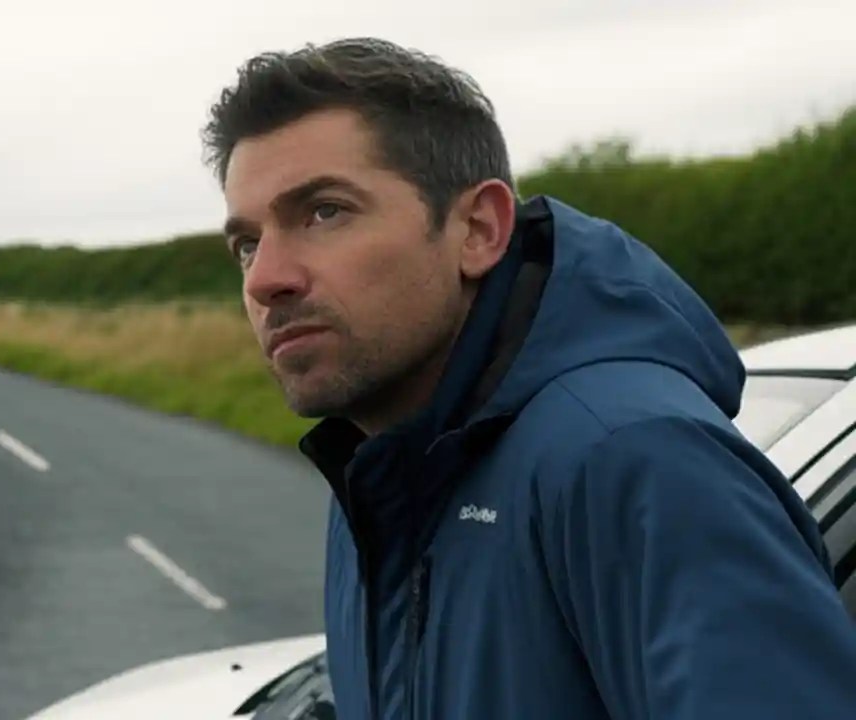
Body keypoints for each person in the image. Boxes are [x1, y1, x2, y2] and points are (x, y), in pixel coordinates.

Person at [200, 37, 856, 720]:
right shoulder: (378, 478)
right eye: (247, 244)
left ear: (480, 229)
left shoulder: (635, 460)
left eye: (325, 212)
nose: (266, 279)